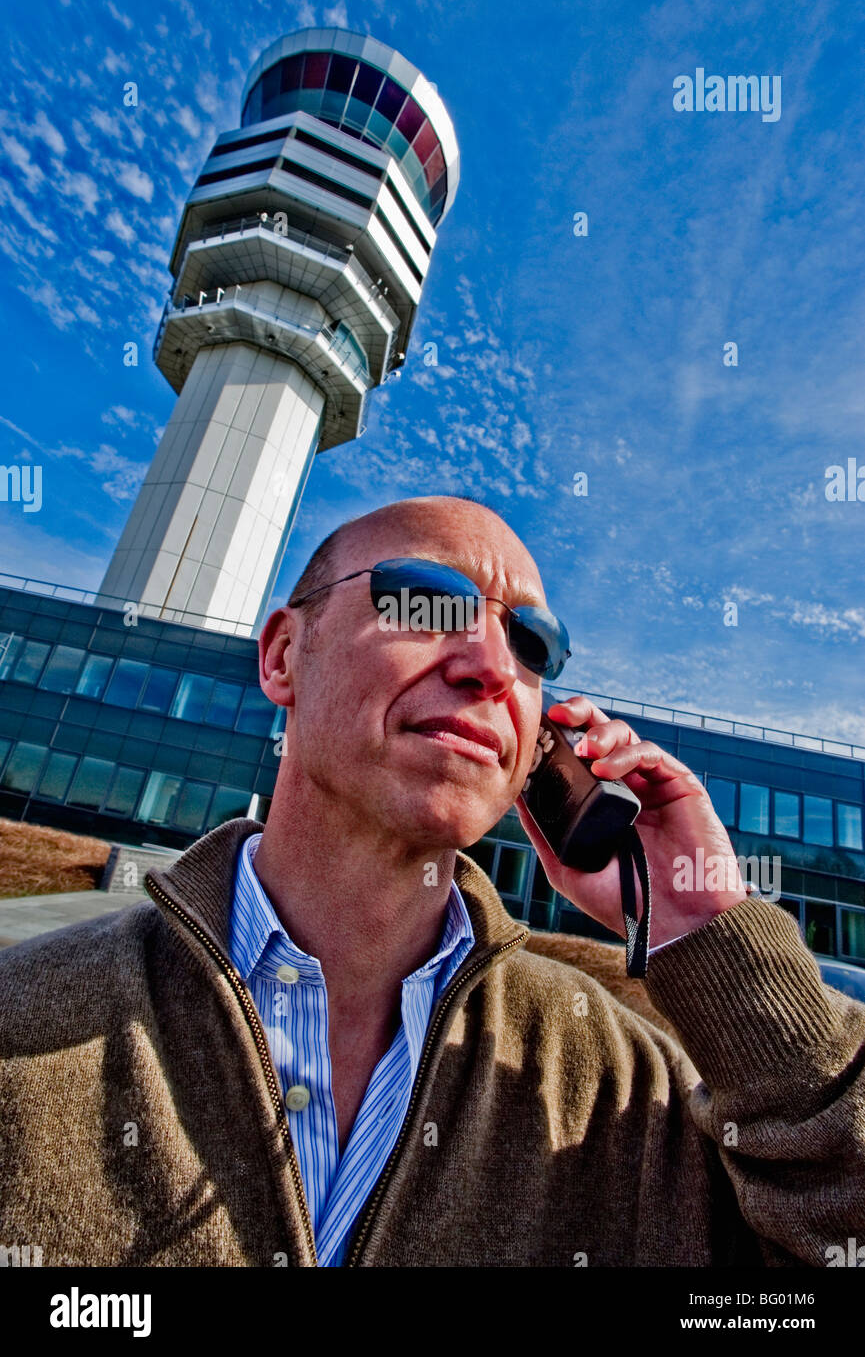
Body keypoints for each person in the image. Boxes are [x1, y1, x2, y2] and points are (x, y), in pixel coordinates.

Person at [0, 494, 863, 1267]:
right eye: (423, 602)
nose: (490, 666)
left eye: (532, 644)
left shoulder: (626, 1088)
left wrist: (712, 937)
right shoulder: (24, 1018)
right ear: (282, 657)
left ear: (536, 742)